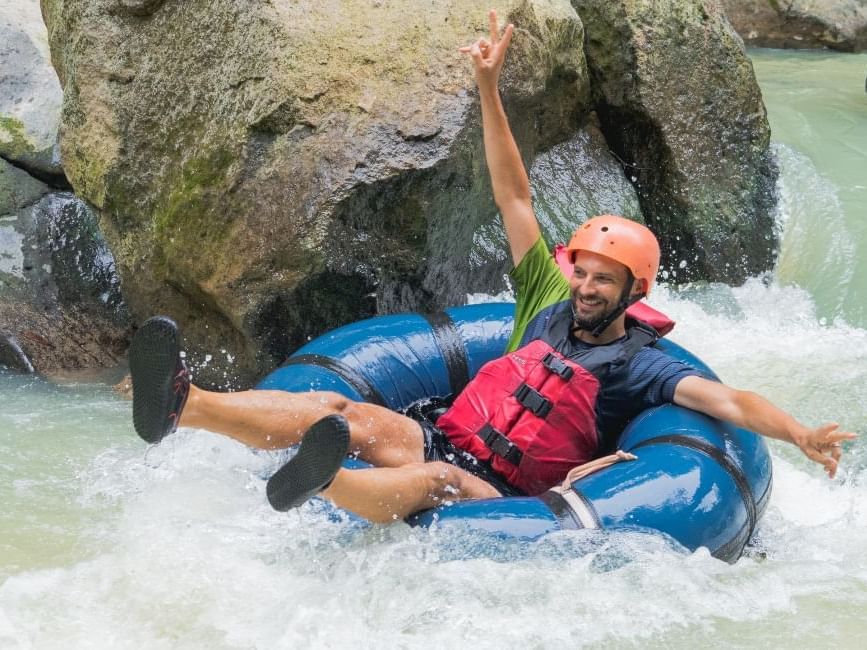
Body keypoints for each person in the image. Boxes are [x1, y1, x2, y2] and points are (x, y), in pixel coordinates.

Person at [129, 10, 854, 524]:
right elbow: (512, 193)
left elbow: (731, 404)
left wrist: (797, 433)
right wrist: (486, 87)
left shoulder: (643, 364)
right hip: (449, 435)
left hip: (503, 493)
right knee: (344, 412)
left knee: (437, 481)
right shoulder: (544, 294)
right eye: (583, 269)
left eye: (605, 278)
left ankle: (325, 486)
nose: (586, 284)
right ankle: (184, 406)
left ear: (635, 290)